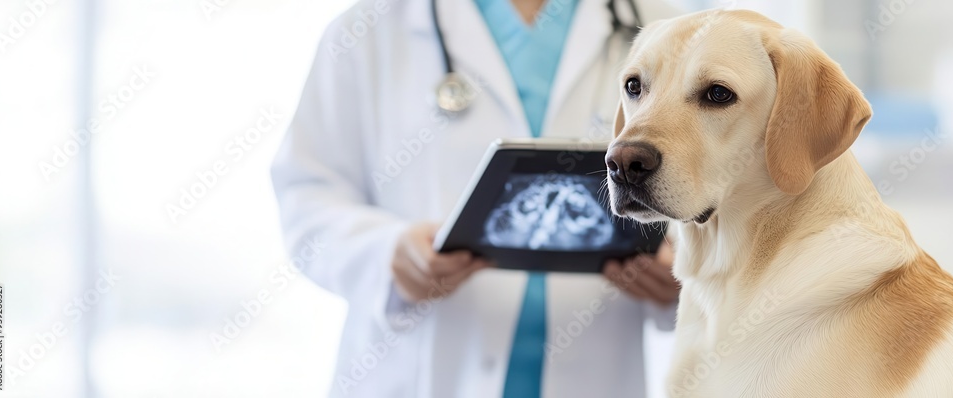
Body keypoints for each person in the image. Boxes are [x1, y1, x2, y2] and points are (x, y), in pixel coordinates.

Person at [271, 0, 683, 396]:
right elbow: (306, 195)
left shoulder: (667, 30)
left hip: (594, 370)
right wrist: (386, 255)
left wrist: (687, 275)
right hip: (417, 370)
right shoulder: (367, 30)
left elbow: (713, 209)